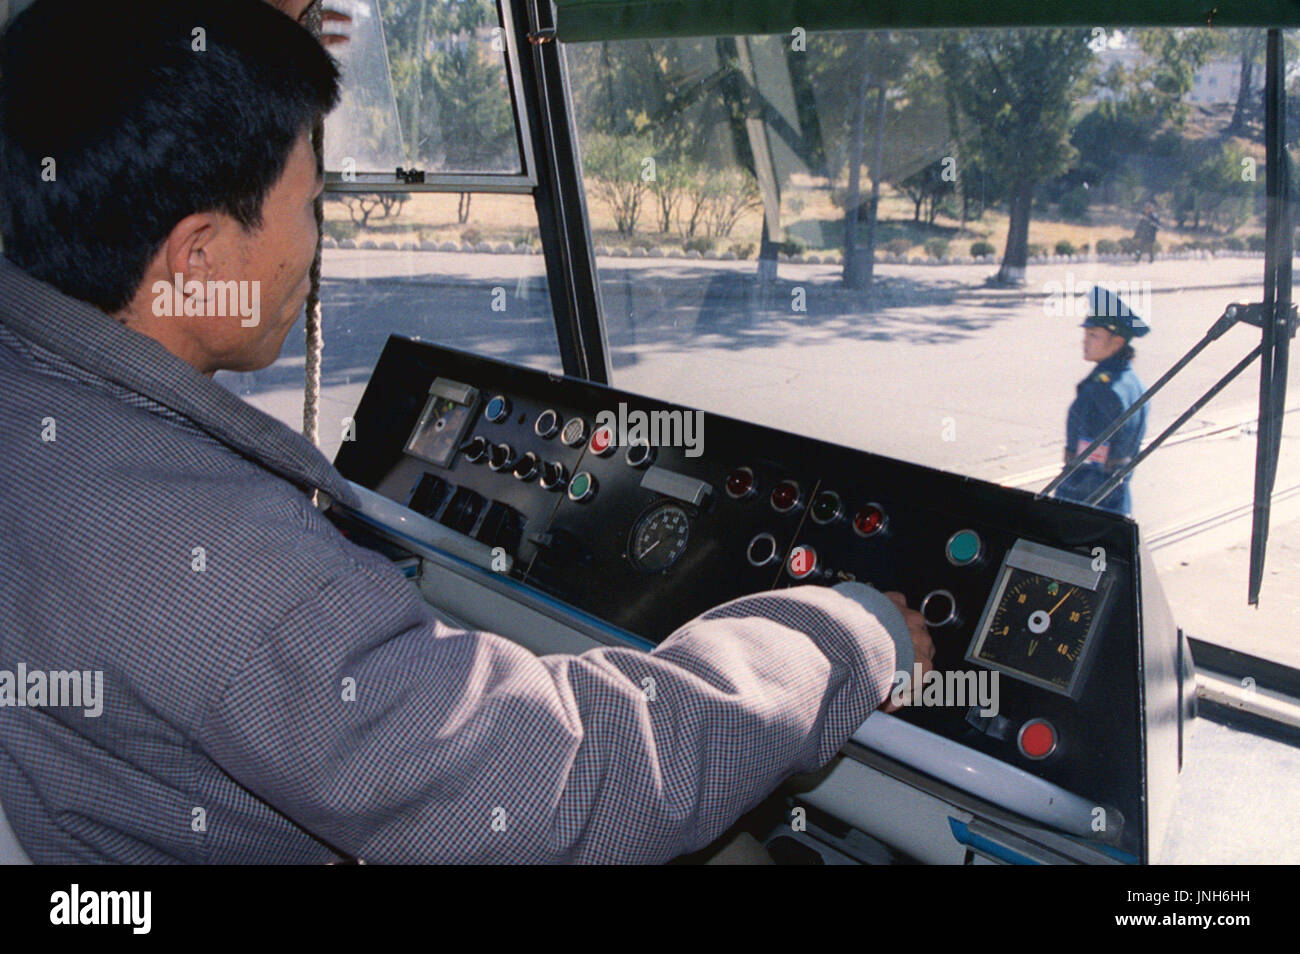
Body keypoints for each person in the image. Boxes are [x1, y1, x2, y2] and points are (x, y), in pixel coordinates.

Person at [0, 0, 932, 864]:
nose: (313, 243)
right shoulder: (216, 556)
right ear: (200, 256)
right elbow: (565, 789)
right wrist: (844, 634)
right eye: (310, 204)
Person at [1054, 286, 1150, 516]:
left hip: (1087, 506)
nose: (1084, 341)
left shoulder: (1103, 391)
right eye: (1086, 334)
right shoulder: (1132, 383)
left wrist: (1062, 510)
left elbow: (1090, 462)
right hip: (1115, 503)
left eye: (1093, 335)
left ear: (1117, 342)